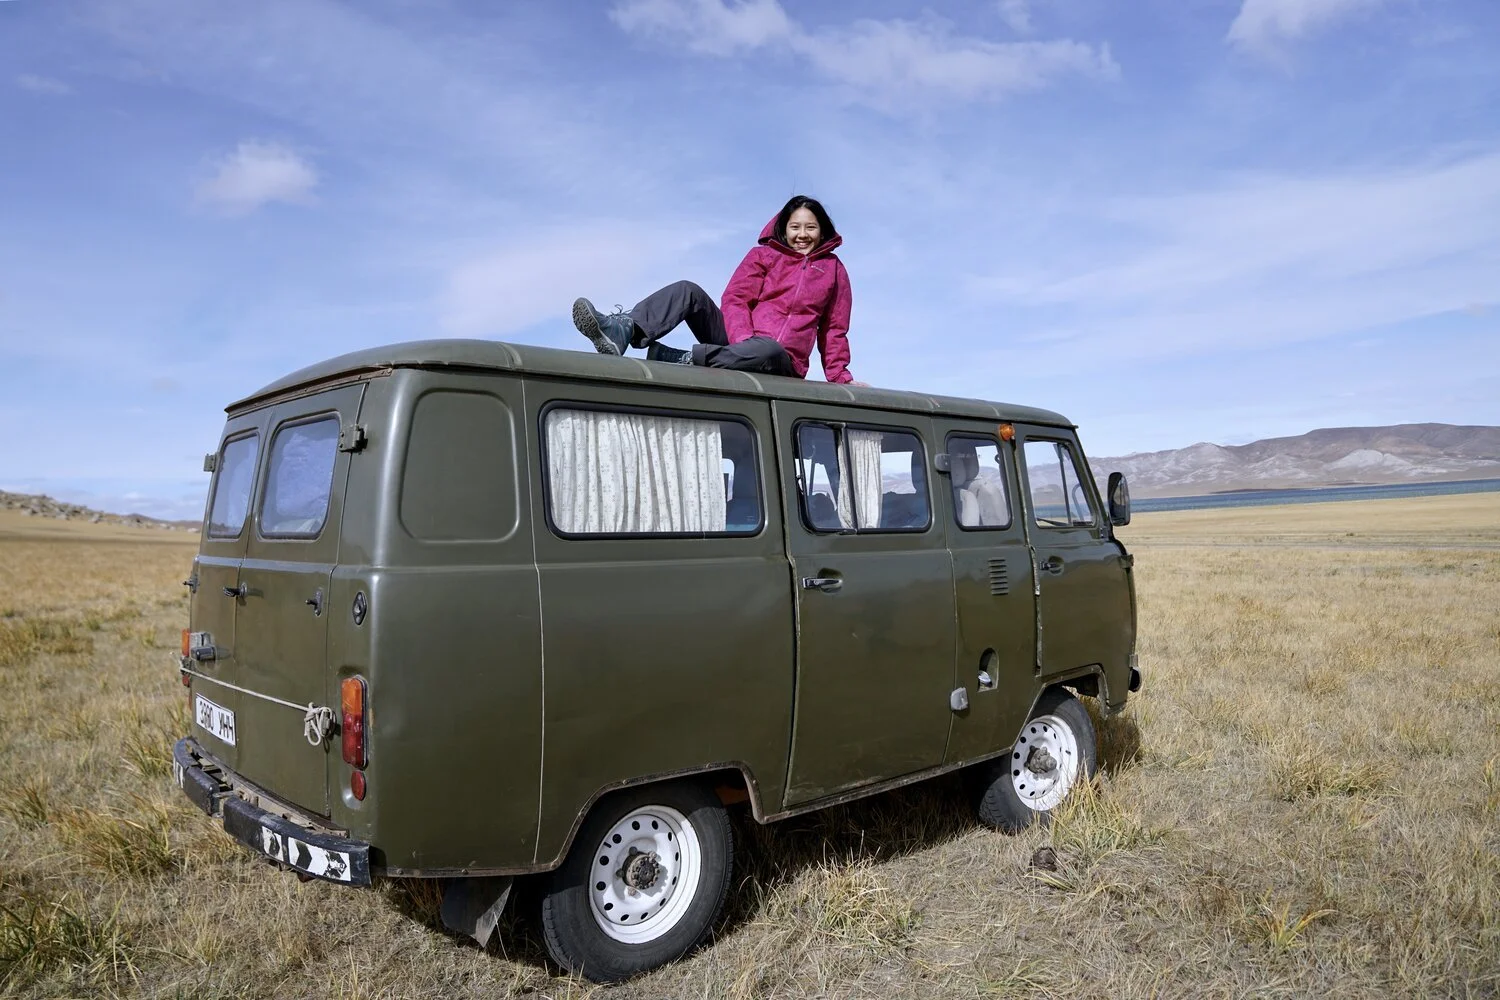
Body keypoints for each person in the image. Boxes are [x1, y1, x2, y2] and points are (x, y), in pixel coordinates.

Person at [571, 195, 859, 384]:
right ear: (785, 227)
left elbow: (834, 330)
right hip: (739, 340)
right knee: (689, 291)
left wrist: (842, 379)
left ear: (822, 231)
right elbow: (735, 298)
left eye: (810, 227)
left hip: (780, 360)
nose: (802, 235)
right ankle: (623, 330)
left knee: (769, 347)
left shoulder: (834, 271)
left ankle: (685, 359)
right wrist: (743, 338)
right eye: (796, 227)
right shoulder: (763, 256)